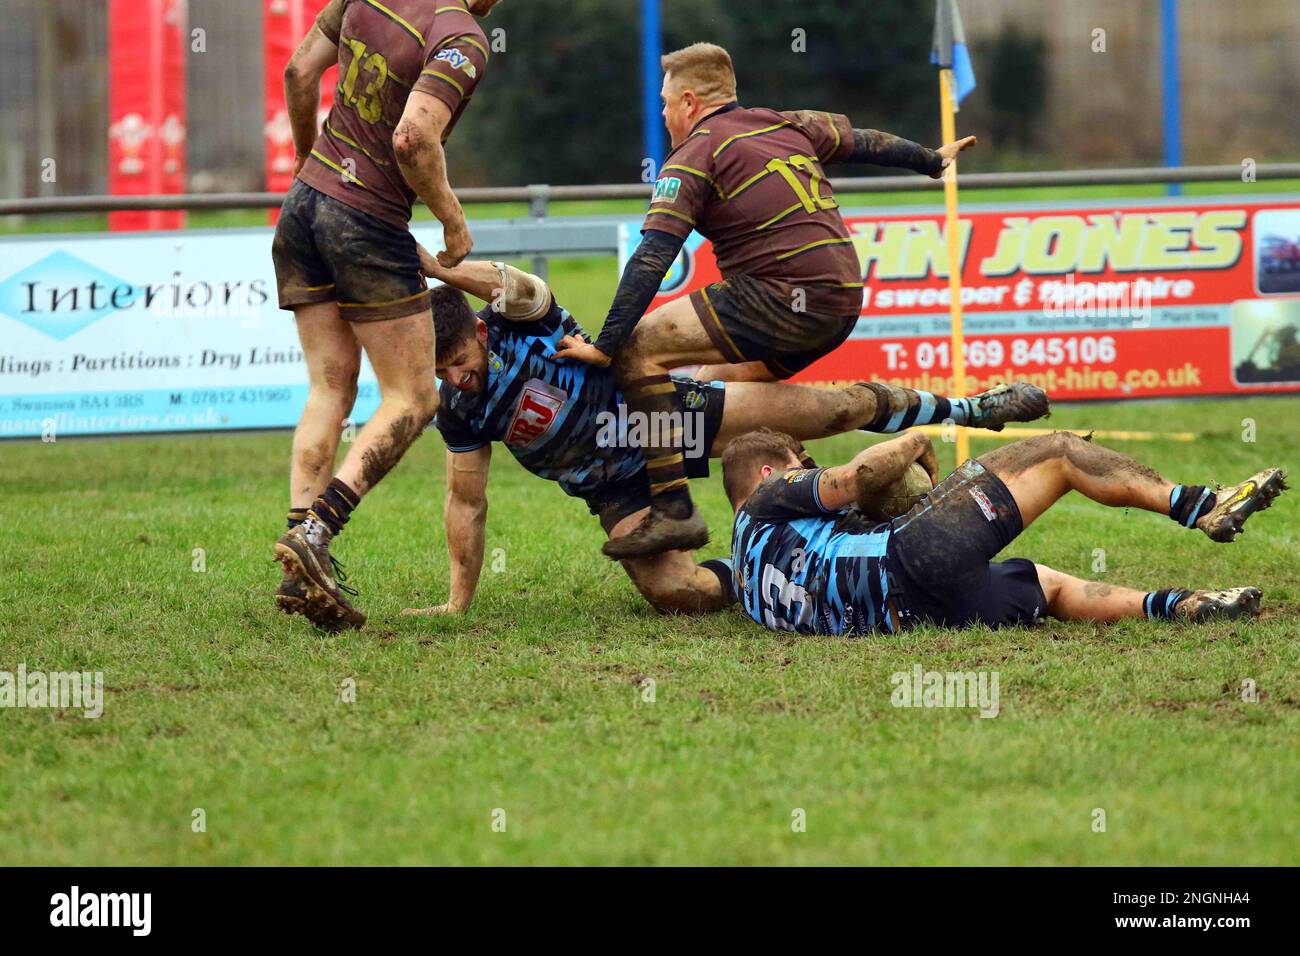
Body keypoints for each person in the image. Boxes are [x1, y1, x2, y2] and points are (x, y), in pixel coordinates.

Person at [404, 257, 1048, 616]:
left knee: (829, 413)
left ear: (480, 333)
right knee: (674, 595)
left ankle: (971, 406)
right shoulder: (458, 409)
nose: (455, 379)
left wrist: (440, 267)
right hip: (615, 489)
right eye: (441, 373)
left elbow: (518, 283)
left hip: (662, 417)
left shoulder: (517, 322)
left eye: (458, 361)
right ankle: (769, 570)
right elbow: (467, 502)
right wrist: (457, 603)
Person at [554, 41, 977, 560]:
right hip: (840, 299)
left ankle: (672, 509)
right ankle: (817, 507)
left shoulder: (694, 154)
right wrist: (931, 159)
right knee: (722, 387)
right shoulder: (786, 123)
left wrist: (605, 345)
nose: (663, 114)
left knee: (640, 348)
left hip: (780, 296)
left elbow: (652, 257)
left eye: (666, 103)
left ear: (689, 102)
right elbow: (864, 142)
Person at [270, 0, 502, 630]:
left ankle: (297, 561)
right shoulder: (461, 36)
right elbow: (412, 137)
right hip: (365, 221)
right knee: (413, 398)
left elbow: (297, 73)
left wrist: (303, 158)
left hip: (304, 207)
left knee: (330, 386)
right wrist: (453, 220)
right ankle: (314, 538)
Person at [720, 427, 1287, 634]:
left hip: (909, 617)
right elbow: (862, 474)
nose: (808, 469)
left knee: (1050, 587)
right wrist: (918, 439)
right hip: (909, 560)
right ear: (769, 473)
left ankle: (1185, 605)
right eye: (801, 462)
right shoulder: (771, 495)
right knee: (1060, 452)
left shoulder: (745, 572)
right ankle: (1205, 504)